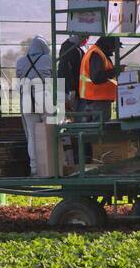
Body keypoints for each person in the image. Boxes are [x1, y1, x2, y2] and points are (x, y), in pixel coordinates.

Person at [15, 35, 52, 174]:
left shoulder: (20, 62)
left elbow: (18, 83)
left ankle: (34, 168)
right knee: (49, 132)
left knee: (32, 135)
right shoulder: (48, 59)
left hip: (26, 98)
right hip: (44, 97)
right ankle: (50, 166)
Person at [79, 35, 121, 124]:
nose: (114, 50)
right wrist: (115, 71)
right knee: (99, 131)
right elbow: (97, 77)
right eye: (113, 47)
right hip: (98, 100)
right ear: (108, 45)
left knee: (91, 131)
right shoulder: (97, 54)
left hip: (93, 99)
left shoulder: (96, 53)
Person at [57, 33, 88, 112]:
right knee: (75, 113)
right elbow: (70, 71)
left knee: (71, 114)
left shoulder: (68, 48)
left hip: (71, 87)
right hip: (73, 88)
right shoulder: (75, 50)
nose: (87, 40)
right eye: (85, 38)